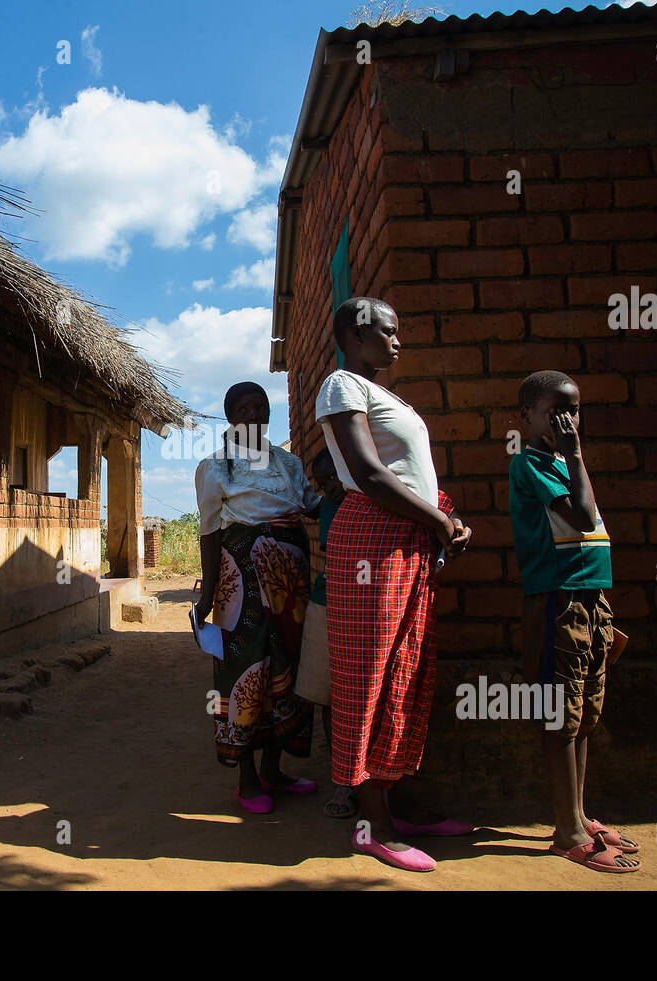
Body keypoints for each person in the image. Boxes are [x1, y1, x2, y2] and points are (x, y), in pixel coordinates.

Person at [315, 297, 473, 873]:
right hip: (374, 541)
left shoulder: (385, 395)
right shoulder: (340, 386)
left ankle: (400, 802)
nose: (397, 341)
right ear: (356, 335)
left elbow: (407, 474)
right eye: (388, 331)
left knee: (407, 667)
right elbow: (368, 472)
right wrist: (437, 521)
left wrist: (441, 522)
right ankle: (371, 824)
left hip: (407, 539)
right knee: (370, 672)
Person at [509, 370, 639, 873]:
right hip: (556, 601)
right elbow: (582, 517)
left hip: (590, 599)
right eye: (556, 412)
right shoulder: (531, 464)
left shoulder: (564, 461)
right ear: (527, 417)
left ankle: (580, 817)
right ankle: (566, 832)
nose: (568, 421)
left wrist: (574, 456)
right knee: (559, 717)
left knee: (585, 713)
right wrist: (577, 454)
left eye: (575, 411)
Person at [194, 382, 321, 813]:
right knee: (245, 668)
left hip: (290, 581)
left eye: (260, 407)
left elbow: (311, 507)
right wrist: (208, 592)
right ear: (230, 416)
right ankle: (247, 780)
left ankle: (274, 770)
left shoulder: (287, 462)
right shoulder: (216, 467)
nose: (252, 414)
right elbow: (210, 533)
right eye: (243, 408)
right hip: (242, 580)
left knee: (289, 665)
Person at [292, 448, 355, 819]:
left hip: (359, 608)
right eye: (322, 483)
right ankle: (343, 780)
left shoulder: (367, 501)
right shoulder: (332, 507)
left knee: (354, 696)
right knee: (329, 697)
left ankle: (361, 779)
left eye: (334, 477)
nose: (330, 487)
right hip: (327, 603)